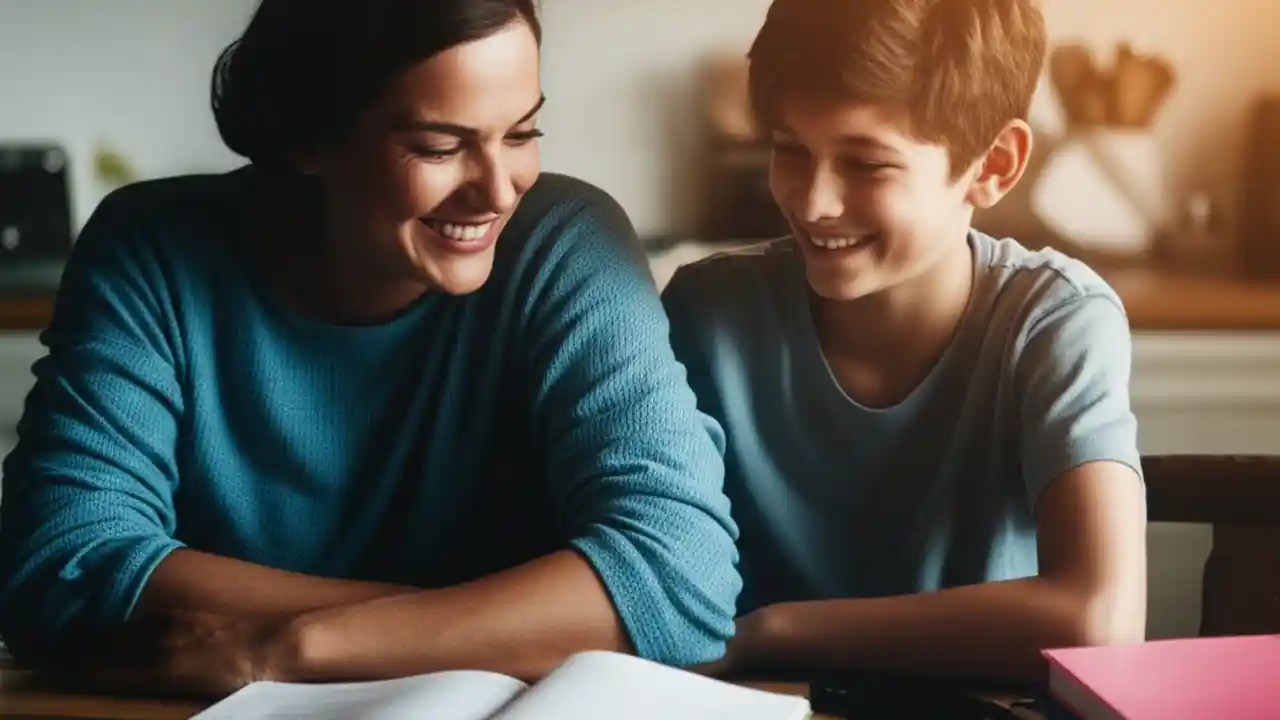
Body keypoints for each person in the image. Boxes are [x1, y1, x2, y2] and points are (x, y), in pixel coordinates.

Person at [0, 0, 741, 695]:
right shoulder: (154, 251)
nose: (498, 191)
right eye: (439, 146)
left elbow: (682, 581)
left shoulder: (567, 244)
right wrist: (516, 622)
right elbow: (58, 567)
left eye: (521, 134)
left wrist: (288, 648)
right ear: (308, 136)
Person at [665, 0, 1146, 680]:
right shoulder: (708, 312)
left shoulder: (1053, 321)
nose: (813, 202)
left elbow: (1099, 621)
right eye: (791, 150)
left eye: (866, 165)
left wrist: (771, 631)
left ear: (994, 165)